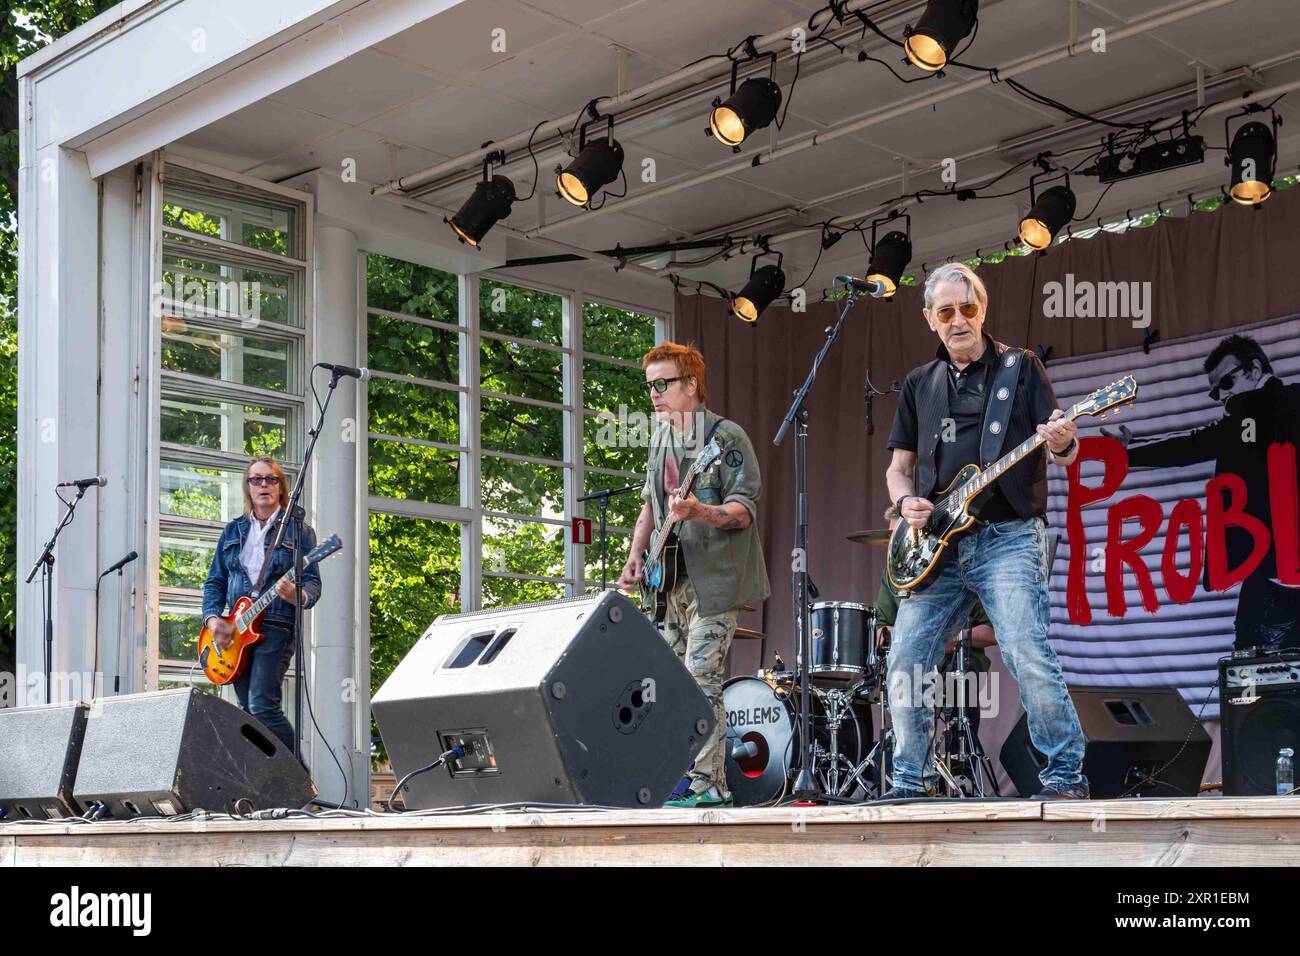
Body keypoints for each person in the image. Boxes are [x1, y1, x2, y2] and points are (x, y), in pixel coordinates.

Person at [882, 262, 1088, 800]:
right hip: (939, 545)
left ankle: (1066, 777)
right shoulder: (917, 385)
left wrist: (1063, 440)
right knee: (905, 657)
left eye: (967, 308)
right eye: (945, 311)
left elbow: (1065, 451)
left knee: (1025, 650)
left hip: (1008, 537)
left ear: (983, 310)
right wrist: (905, 503)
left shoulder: (1021, 369)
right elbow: (898, 468)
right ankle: (911, 781)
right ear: (930, 319)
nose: (958, 320)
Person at [616, 341, 770, 808]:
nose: (654, 394)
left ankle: (713, 786)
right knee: (668, 686)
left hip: (716, 582)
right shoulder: (659, 439)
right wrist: (635, 554)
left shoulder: (726, 438)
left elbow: (743, 512)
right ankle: (678, 780)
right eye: (650, 386)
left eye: (663, 384)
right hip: (669, 582)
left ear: (691, 385)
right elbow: (650, 504)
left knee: (701, 676)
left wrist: (699, 510)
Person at [1118, 333, 1300, 652]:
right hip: (1266, 573)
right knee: (1253, 680)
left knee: (1260, 680)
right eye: (1216, 391)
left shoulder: (1286, 405)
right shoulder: (1239, 422)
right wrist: (1127, 454)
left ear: (1255, 370)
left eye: (1227, 383)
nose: (1222, 396)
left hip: (1281, 569)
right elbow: (1191, 446)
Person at [202, 456, 322, 751]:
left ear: (282, 487)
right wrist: (213, 619)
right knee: (246, 710)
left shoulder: (300, 531)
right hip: (237, 630)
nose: (264, 485)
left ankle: (297, 781)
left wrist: (298, 595)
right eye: (256, 479)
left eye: (271, 479)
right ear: (248, 488)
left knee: (262, 705)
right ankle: (263, 779)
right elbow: (215, 582)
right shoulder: (233, 531)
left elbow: (313, 584)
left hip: (277, 625)